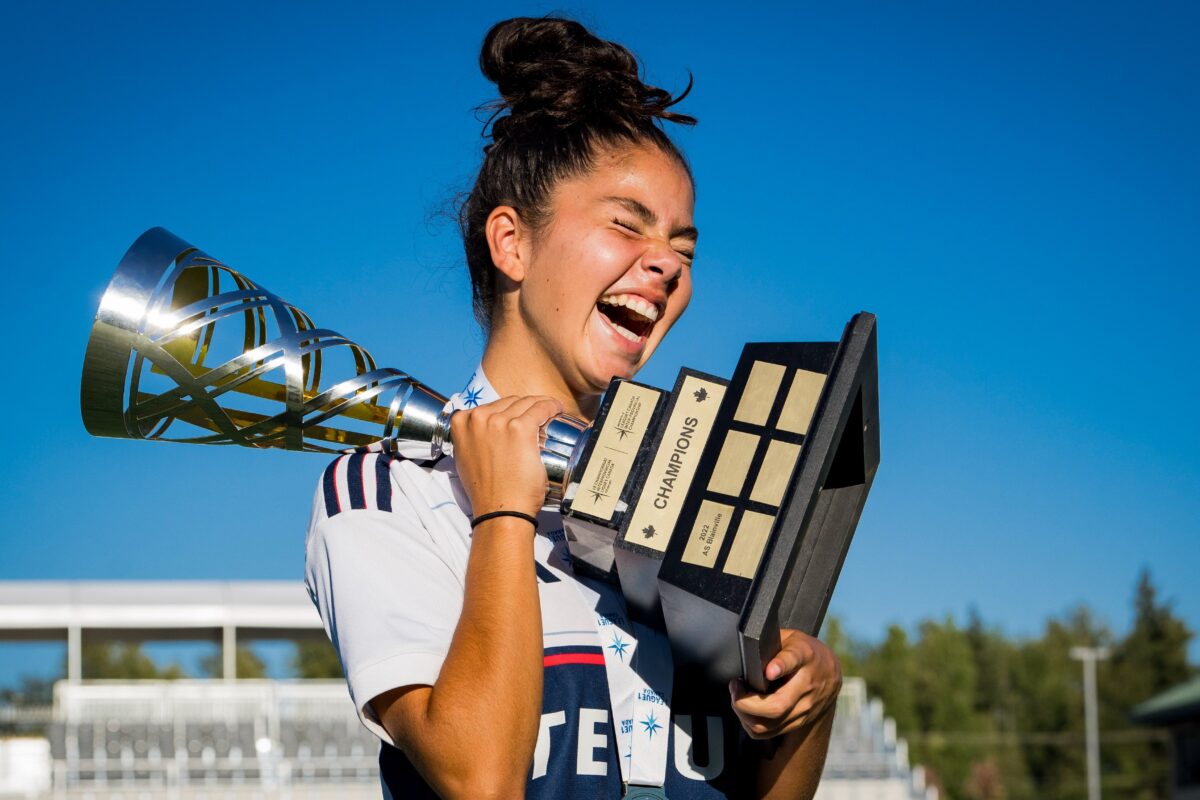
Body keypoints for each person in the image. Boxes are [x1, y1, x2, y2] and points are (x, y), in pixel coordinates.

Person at [305, 16, 842, 799]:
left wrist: (812, 700)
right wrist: (501, 516)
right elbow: (481, 780)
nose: (665, 266)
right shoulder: (391, 491)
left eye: (684, 252)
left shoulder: (704, 489)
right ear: (512, 244)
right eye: (626, 224)